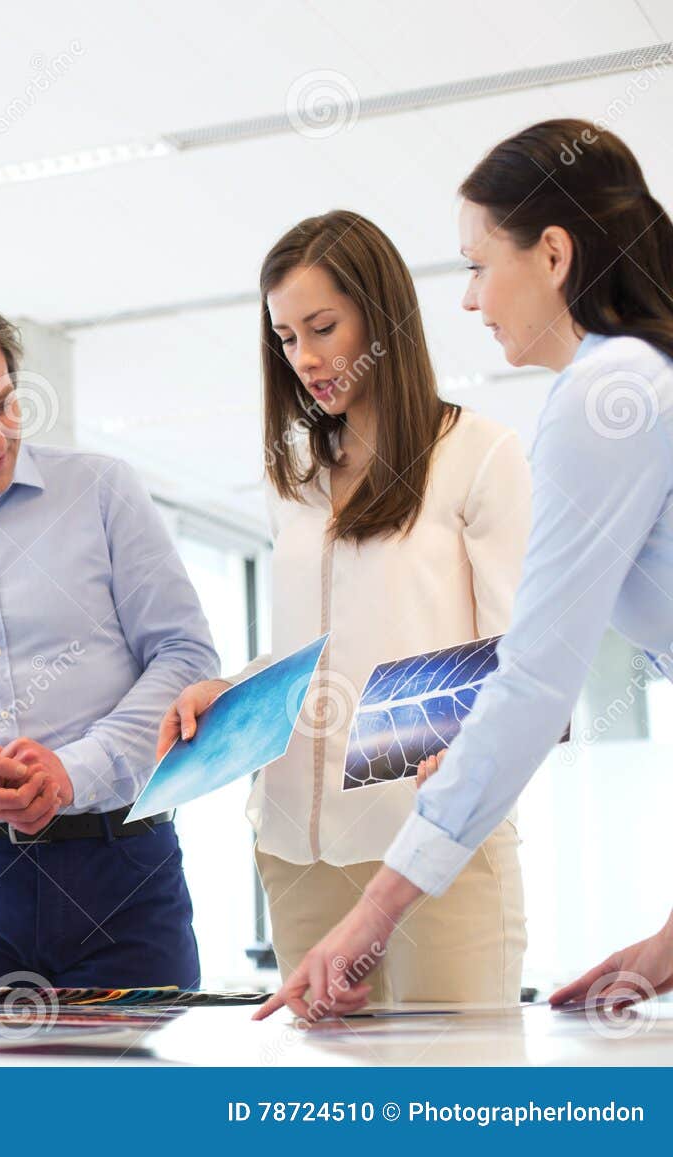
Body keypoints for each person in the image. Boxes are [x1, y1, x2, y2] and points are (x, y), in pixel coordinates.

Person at [256, 119, 673, 1022]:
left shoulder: (601, 393)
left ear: (554, 255)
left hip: (426, 823)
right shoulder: (637, 378)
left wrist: (379, 907)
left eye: (480, 266)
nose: (473, 298)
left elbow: (532, 677)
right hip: (305, 831)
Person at [159, 211, 531, 1005]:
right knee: (333, 1118)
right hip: (297, 851)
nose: (307, 358)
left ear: (381, 313)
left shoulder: (479, 456)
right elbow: (315, 647)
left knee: (455, 1114)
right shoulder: (291, 476)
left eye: (323, 327)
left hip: (436, 839)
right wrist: (231, 690)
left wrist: (474, 746)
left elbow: (526, 659)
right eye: (287, 338)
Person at [0, 296, 219, 990]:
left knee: (147, 1097)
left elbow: (185, 657)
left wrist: (73, 770)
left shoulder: (102, 490)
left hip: (122, 871)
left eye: (4, 403)